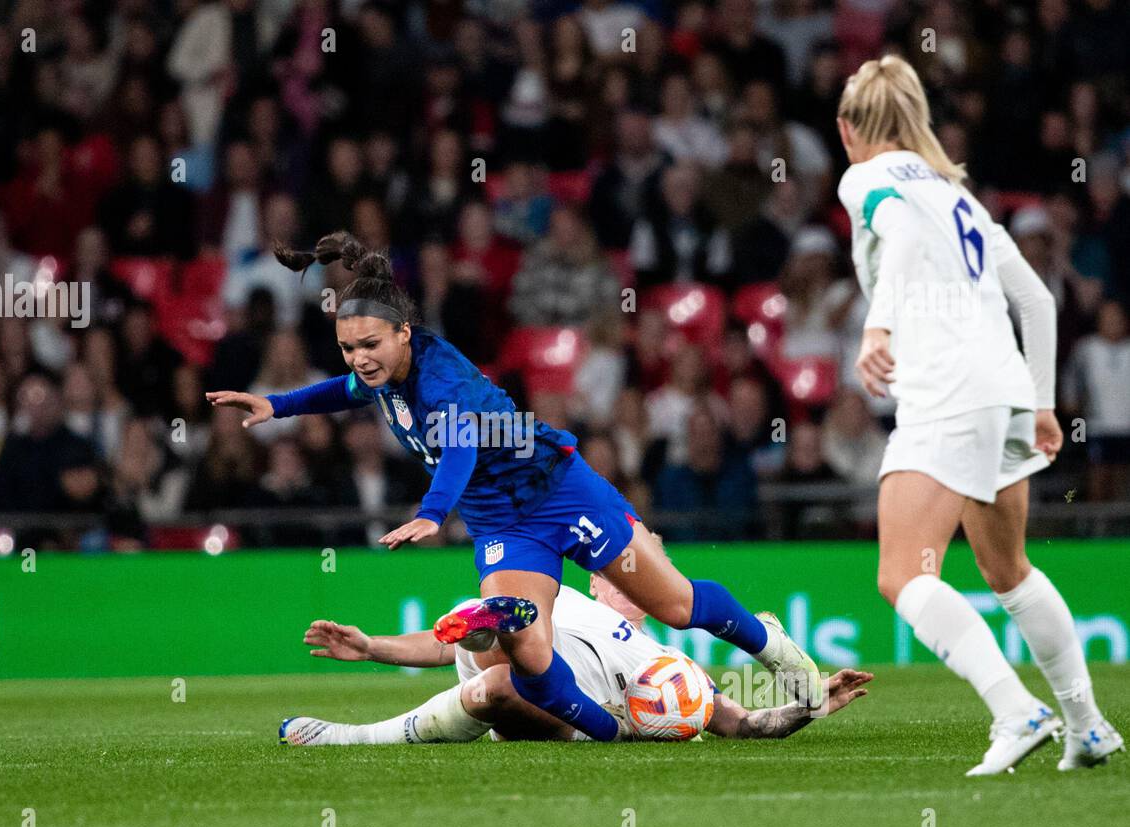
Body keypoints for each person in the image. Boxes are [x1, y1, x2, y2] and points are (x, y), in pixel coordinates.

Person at [208, 231, 821, 745]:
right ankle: (605, 733)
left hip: (561, 491)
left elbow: (463, 444)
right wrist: (276, 404)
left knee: (677, 607)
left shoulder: (440, 377)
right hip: (505, 526)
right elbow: (346, 391)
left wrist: (432, 512)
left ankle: (777, 652)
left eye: (369, 345)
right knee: (527, 650)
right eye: (347, 347)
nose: (359, 359)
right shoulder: (380, 373)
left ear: (404, 334)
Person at [837, 55, 1122, 774]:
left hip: (946, 387)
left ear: (848, 130)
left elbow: (896, 237)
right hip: (1000, 386)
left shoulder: (866, 179)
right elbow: (1038, 301)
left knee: (903, 574)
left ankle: (1014, 709)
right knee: (1008, 570)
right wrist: (1041, 401)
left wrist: (879, 328)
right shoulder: (957, 194)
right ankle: (1086, 725)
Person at [281, 572, 872, 745]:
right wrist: (373, 647)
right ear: (599, 582)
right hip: (505, 648)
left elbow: (744, 724)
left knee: (505, 688)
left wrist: (813, 706)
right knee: (500, 626)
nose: (645, 580)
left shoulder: (667, 669)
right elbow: (441, 643)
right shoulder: (560, 594)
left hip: (553, 717)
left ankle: (355, 736)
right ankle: (494, 627)